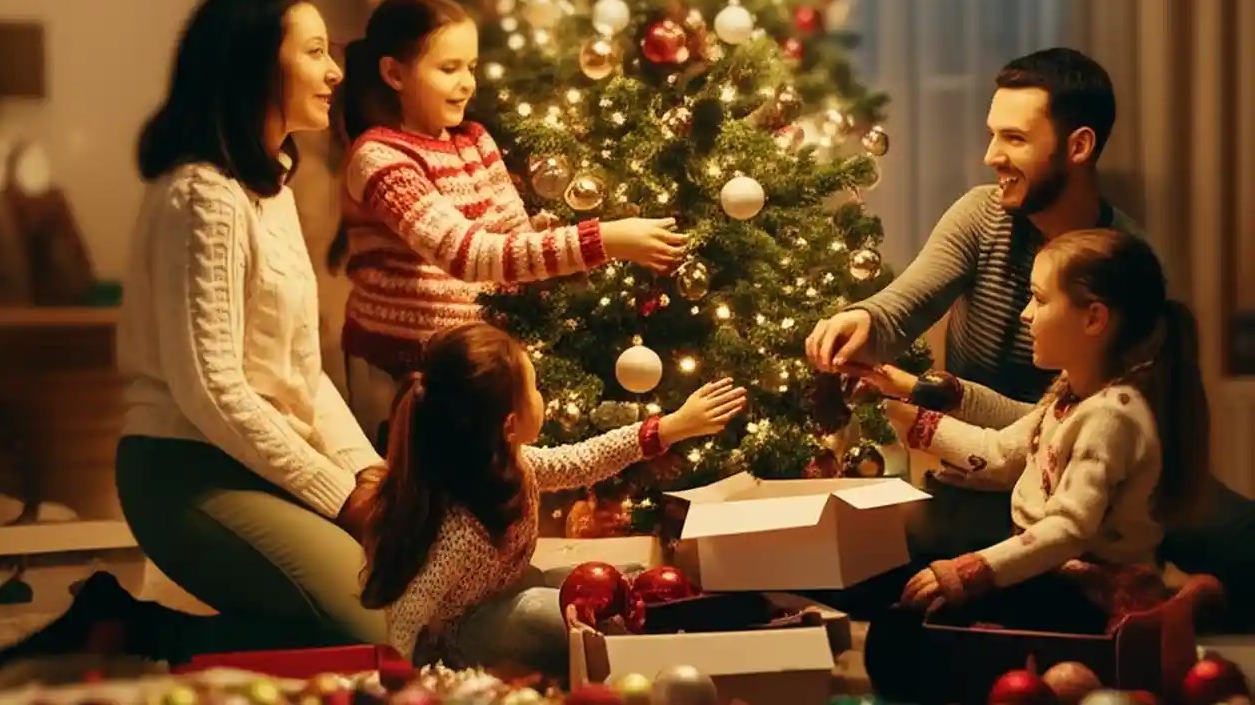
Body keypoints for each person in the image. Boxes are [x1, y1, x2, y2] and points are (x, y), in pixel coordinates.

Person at [0, 0, 388, 672]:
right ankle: (131, 632)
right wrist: (340, 497)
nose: (335, 72)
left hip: (263, 464)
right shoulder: (202, 194)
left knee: (395, 607)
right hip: (187, 470)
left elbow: (301, 370)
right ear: (257, 64)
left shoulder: (271, 188)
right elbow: (213, 392)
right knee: (377, 635)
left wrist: (368, 473)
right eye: (316, 52)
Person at [803, 48, 1255, 616]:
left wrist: (928, 397)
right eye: (993, 135)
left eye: (1014, 139)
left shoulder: (1127, 267)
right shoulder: (980, 215)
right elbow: (902, 307)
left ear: (1079, 146)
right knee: (873, 558)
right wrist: (863, 323)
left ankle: (1176, 601)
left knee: (1238, 537)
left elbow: (1085, 430)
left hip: (1092, 474)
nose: (992, 156)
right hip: (990, 471)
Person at [863, 228, 1212, 703]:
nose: (1025, 314)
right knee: (906, 608)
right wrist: (901, 412)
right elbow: (1004, 455)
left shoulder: (1111, 416)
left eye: (1038, 299)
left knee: (920, 627)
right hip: (1049, 574)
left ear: (1094, 319)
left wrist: (969, 572)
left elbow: (1067, 528)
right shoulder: (1069, 397)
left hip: (1085, 595)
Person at [328, 0, 687, 447]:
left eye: (471, 68)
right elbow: (468, 255)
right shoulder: (379, 158)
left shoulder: (474, 141)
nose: (467, 85)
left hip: (475, 364)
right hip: (402, 369)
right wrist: (605, 240)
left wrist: (556, 235)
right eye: (448, 68)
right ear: (394, 73)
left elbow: (511, 241)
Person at [360, 322, 747, 674]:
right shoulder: (460, 530)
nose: (542, 397)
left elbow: (584, 460)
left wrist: (670, 427)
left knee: (617, 580)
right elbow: (409, 610)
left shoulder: (517, 465)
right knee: (564, 619)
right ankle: (637, 668)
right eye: (535, 389)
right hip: (467, 634)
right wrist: (399, 682)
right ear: (510, 425)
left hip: (514, 589)